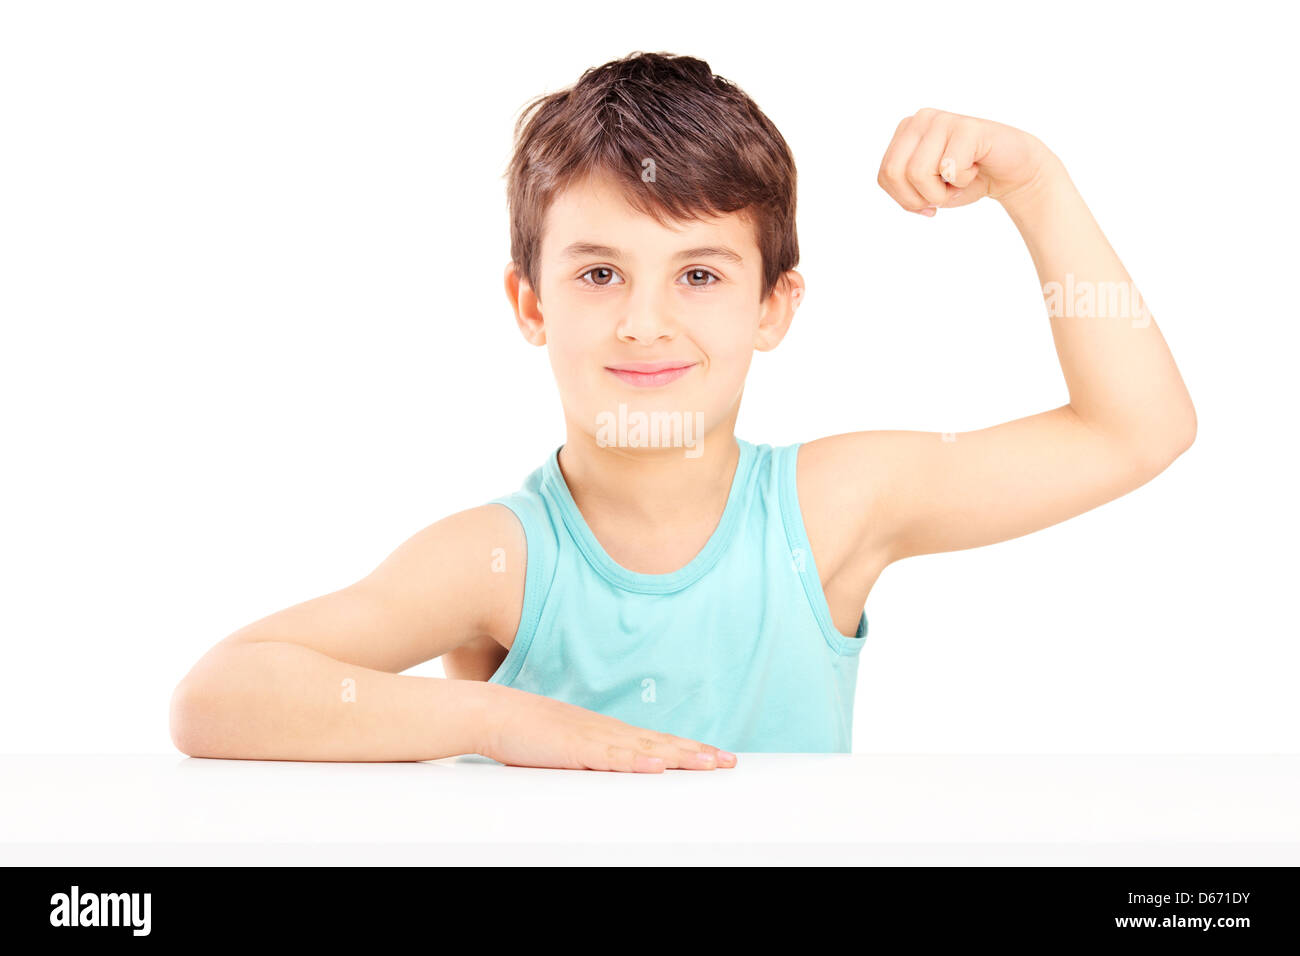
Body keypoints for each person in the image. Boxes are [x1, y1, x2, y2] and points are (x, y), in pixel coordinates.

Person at [169, 52, 1195, 772]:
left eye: (699, 273)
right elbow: (216, 694)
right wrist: (496, 720)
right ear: (531, 303)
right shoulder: (499, 559)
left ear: (772, 306)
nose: (645, 321)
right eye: (601, 271)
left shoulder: (830, 509)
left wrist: (1038, 185)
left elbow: (1135, 429)